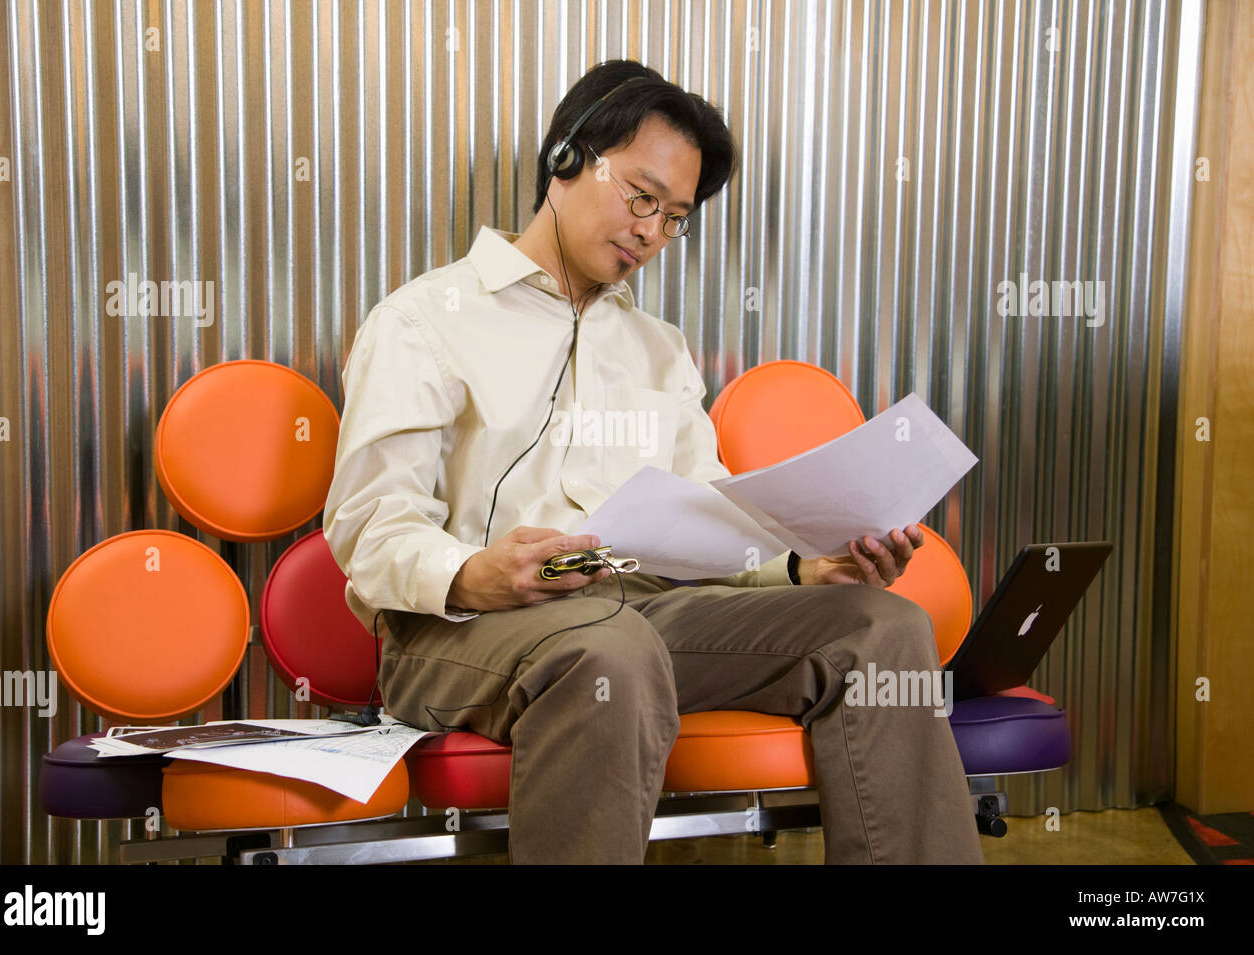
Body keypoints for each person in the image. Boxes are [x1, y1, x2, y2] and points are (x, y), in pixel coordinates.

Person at [323, 59, 984, 865]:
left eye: (674, 219)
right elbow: (368, 525)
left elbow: (704, 523)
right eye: (642, 197)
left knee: (884, 627)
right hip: (460, 629)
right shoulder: (423, 320)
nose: (651, 232)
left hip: (640, 610)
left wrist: (801, 570)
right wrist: (474, 573)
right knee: (609, 647)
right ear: (566, 159)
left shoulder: (659, 349)